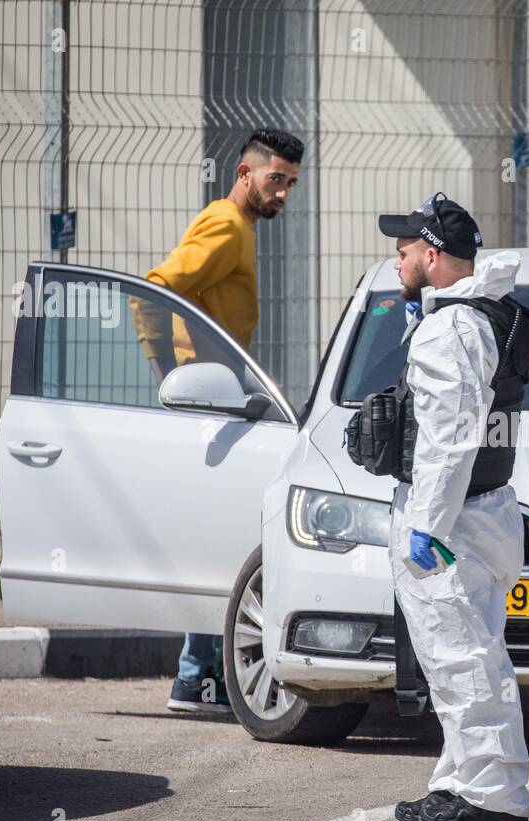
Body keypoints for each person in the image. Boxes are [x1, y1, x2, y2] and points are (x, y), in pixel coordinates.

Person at [378, 193, 529, 821]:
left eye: (407, 247)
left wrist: (426, 529)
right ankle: (459, 780)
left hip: (454, 523)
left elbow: (450, 439)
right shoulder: (489, 313)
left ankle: (492, 794)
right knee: (467, 655)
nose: (398, 257)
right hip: (486, 513)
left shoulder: (451, 329)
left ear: (435, 255)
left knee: (460, 660)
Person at [137, 127, 303, 713]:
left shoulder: (240, 230)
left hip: (221, 402)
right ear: (244, 173)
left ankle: (196, 676)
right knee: (229, 535)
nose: (281, 192)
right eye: (274, 179)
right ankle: (195, 676)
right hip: (208, 405)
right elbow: (154, 291)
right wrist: (168, 376)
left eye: (290, 183)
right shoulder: (227, 225)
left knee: (222, 534)